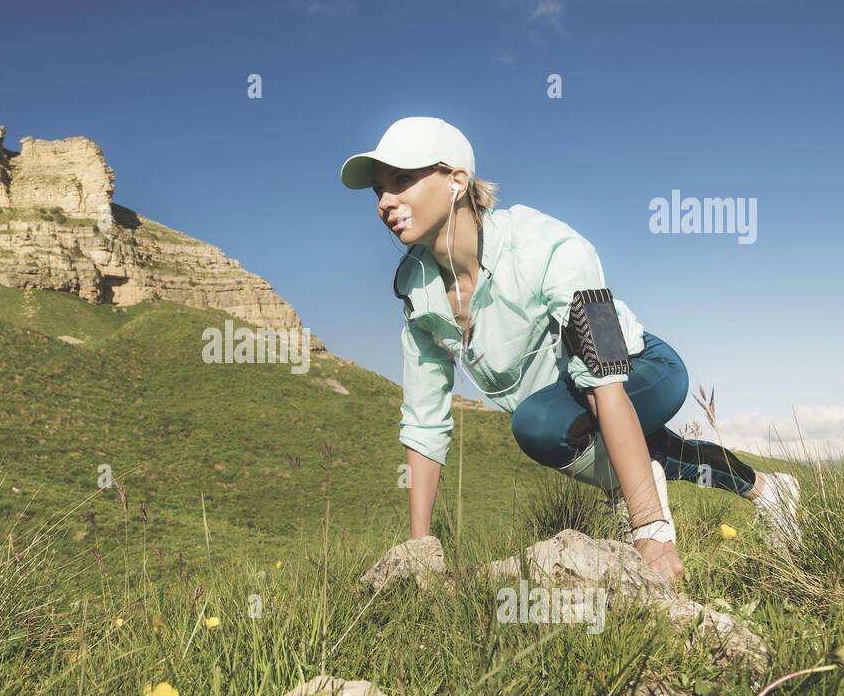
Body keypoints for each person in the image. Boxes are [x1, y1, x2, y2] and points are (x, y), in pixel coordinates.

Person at [340, 116, 801, 585]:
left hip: (639, 369)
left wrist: (651, 528)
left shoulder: (550, 245)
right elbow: (423, 419)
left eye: (402, 181)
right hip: (567, 403)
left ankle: (643, 493)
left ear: (456, 180)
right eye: (378, 189)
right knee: (653, 450)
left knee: (540, 425)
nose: (385, 202)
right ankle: (770, 491)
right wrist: (421, 553)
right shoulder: (415, 290)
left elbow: (604, 376)